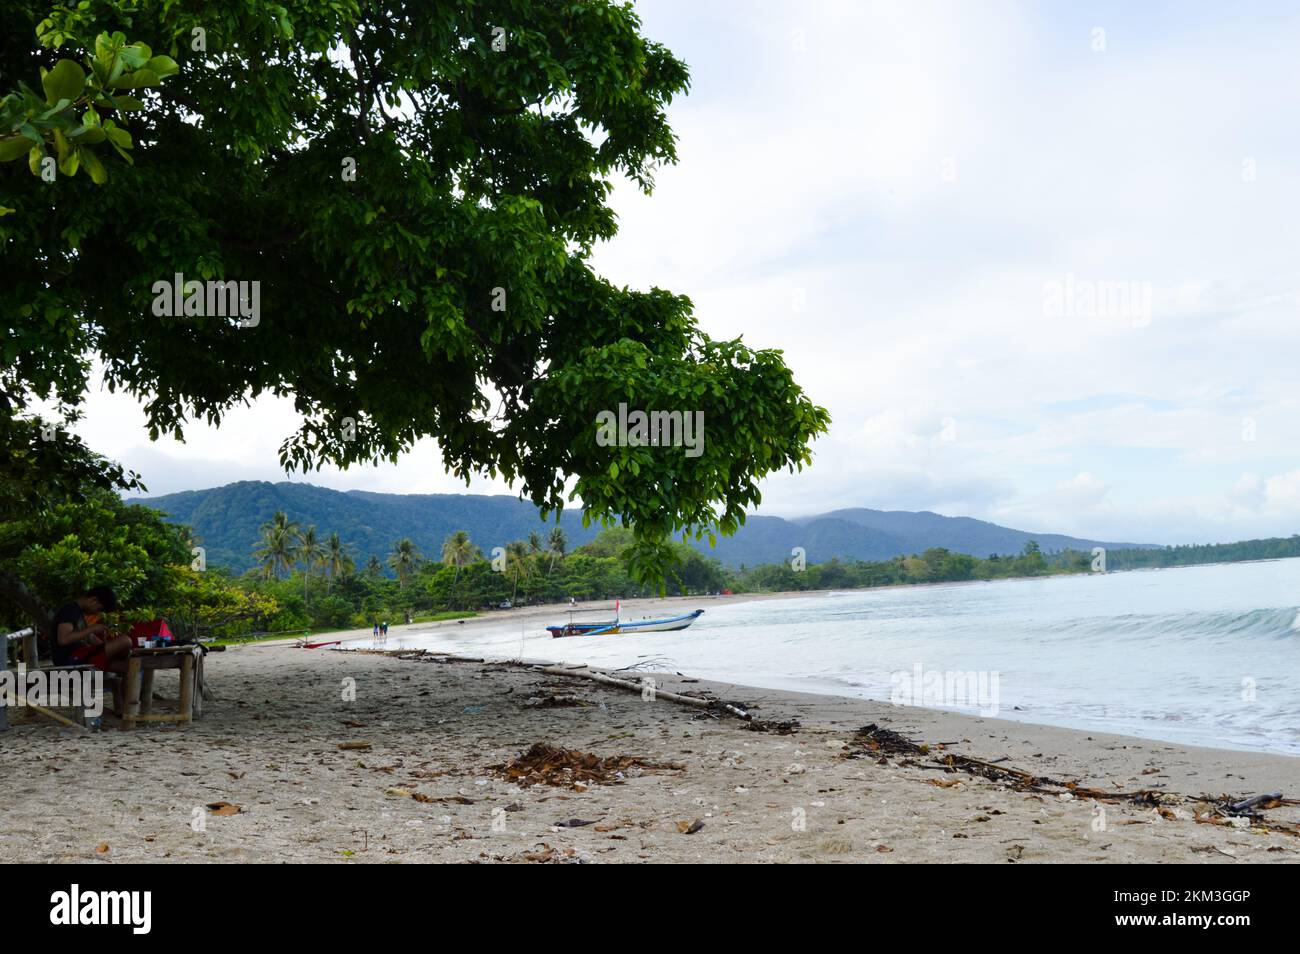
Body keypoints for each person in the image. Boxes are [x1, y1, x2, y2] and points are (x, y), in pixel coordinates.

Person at [50, 586, 130, 672]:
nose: (97, 613)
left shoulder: (79, 612)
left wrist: (109, 647)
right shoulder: (70, 610)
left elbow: (89, 636)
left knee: (125, 664)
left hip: (80, 655)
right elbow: (63, 639)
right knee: (125, 640)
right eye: (99, 609)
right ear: (93, 601)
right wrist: (92, 629)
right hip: (70, 658)